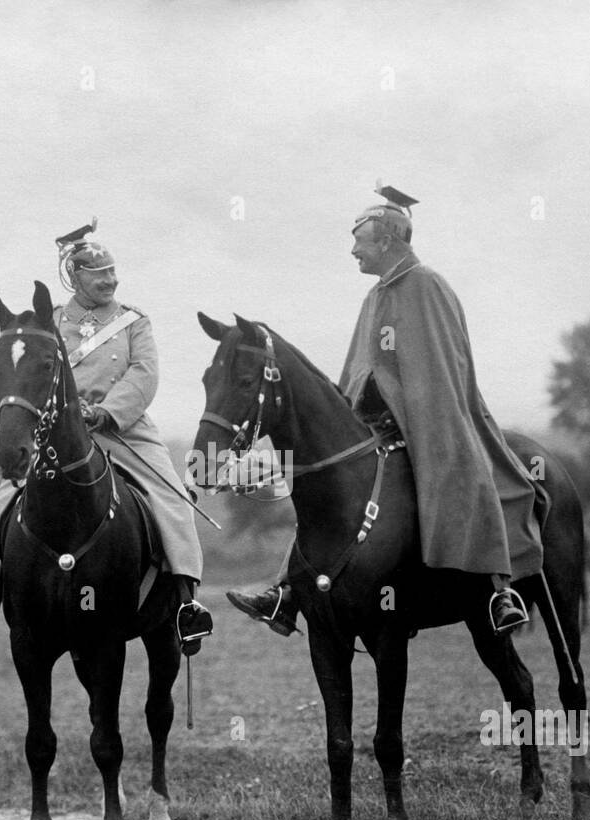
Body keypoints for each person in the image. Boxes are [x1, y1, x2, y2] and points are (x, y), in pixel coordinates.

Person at [226, 185, 542, 636]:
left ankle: (497, 588)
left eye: (360, 240)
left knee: (465, 472)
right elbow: (361, 367)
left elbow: (443, 369)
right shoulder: (374, 297)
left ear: (388, 241)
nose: (353, 249)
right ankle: (287, 591)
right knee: (324, 492)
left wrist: (413, 409)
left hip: (435, 420)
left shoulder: (429, 286)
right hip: (374, 429)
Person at [0, 225, 213, 655]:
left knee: (173, 499)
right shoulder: (47, 319)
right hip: (58, 433)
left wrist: (107, 412)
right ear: (75, 276)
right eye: (98, 274)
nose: (110, 280)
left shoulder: (133, 322)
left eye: (112, 272)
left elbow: (144, 374)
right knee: (4, 500)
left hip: (123, 432)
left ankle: (185, 604)